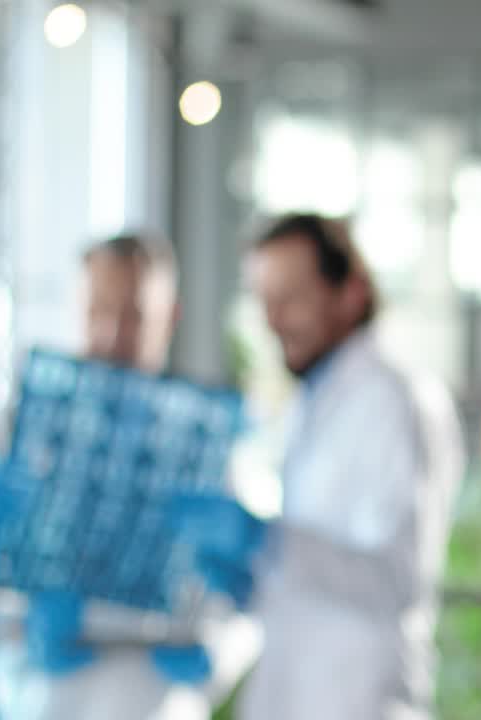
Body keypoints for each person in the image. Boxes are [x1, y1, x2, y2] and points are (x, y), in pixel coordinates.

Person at [174, 213, 463, 719]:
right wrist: (251, 580)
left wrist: (268, 542)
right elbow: (310, 574)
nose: (272, 320)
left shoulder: (394, 401)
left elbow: (398, 582)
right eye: (263, 301)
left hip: (361, 701)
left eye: (290, 298)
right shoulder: (315, 396)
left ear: (350, 294)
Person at [0, 234, 245, 720]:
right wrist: (18, 625)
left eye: (132, 316)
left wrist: (219, 652)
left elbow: (247, 606)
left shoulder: (207, 444)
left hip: (153, 704)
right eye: (96, 311)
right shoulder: (23, 431)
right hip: (44, 702)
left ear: (170, 316)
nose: (111, 335)